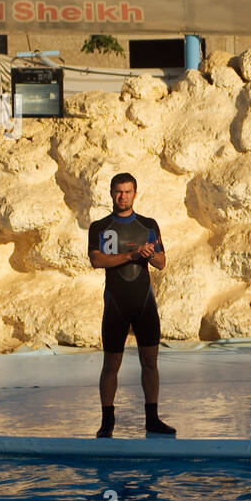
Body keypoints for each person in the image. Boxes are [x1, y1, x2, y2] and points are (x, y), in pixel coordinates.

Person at [87, 173, 175, 438]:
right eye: (118, 192)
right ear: (111, 193)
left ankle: (152, 419)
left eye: (127, 191)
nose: (122, 196)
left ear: (135, 193)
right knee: (111, 364)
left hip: (144, 304)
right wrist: (132, 255)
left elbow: (161, 263)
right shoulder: (100, 226)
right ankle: (107, 422)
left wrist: (150, 255)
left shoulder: (148, 225)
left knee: (150, 363)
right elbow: (96, 260)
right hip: (116, 303)